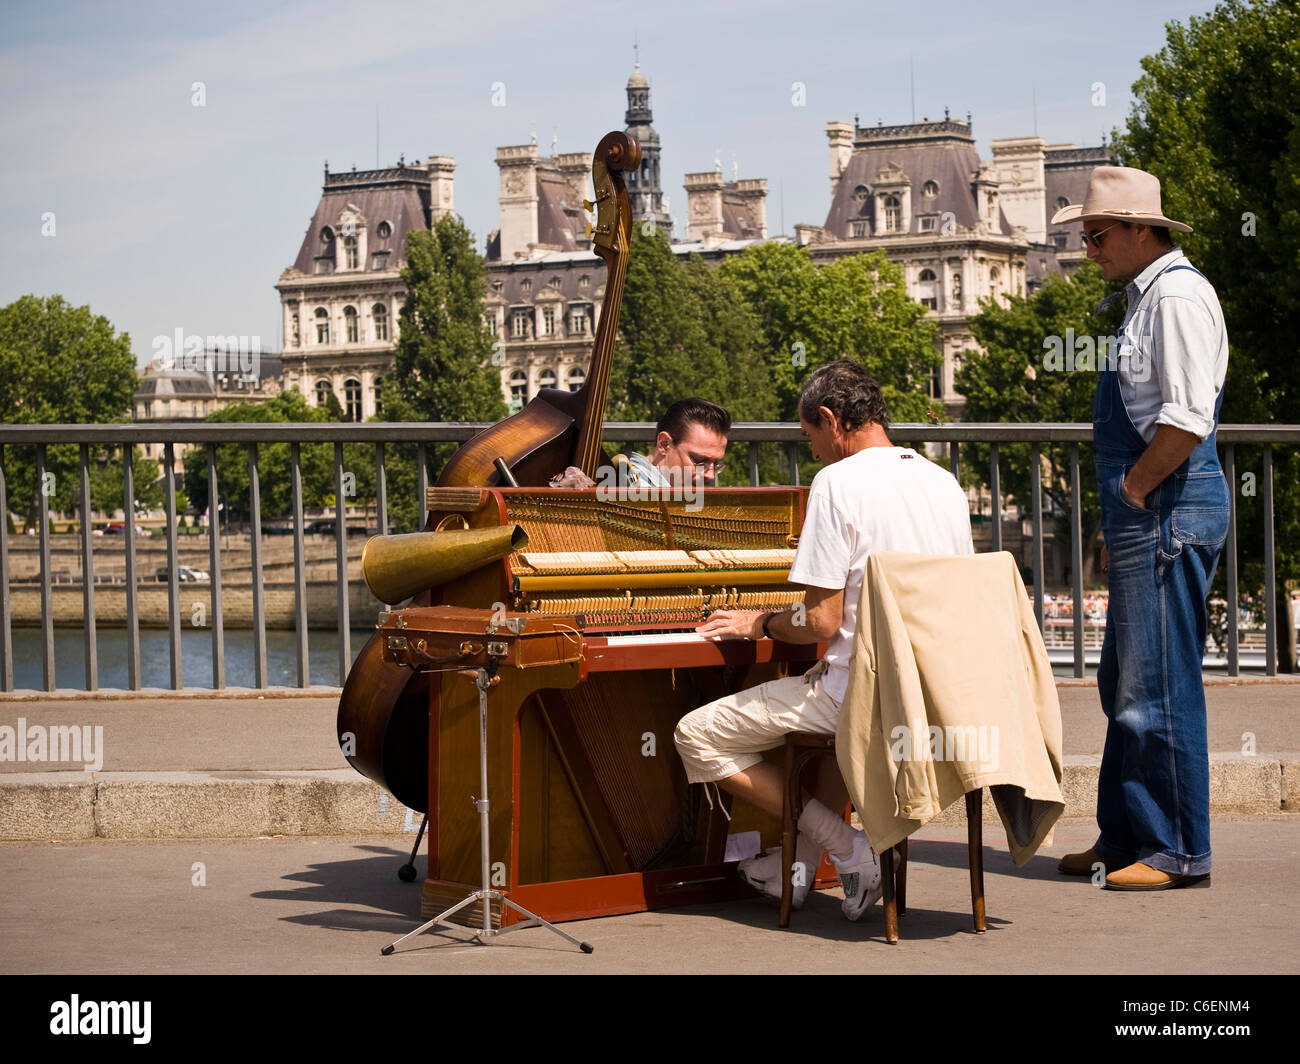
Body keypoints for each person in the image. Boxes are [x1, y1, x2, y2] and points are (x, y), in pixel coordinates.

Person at [673, 361, 974, 919]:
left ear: (832, 421)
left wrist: (758, 622)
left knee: (696, 735)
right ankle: (796, 868)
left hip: (864, 698)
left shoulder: (836, 483)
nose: (812, 451)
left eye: (810, 436)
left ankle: (853, 851)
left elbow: (820, 624)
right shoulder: (944, 482)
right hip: (936, 697)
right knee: (830, 741)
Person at [1052, 166, 1229, 891]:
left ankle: (1175, 849)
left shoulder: (1177, 298)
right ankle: (1125, 836)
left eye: (1095, 237)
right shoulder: (1150, 297)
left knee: (1155, 688)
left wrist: (1130, 492)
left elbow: (1186, 419)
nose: (1089, 250)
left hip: (1163, 507)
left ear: (1137, 229)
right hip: (1152, 510)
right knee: (1124, 678)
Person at [549, 397, 730, 489]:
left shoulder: (683, 493)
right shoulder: (623, 487)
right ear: (664, 444)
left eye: (716, 463)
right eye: (699, 461)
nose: (710, 475)